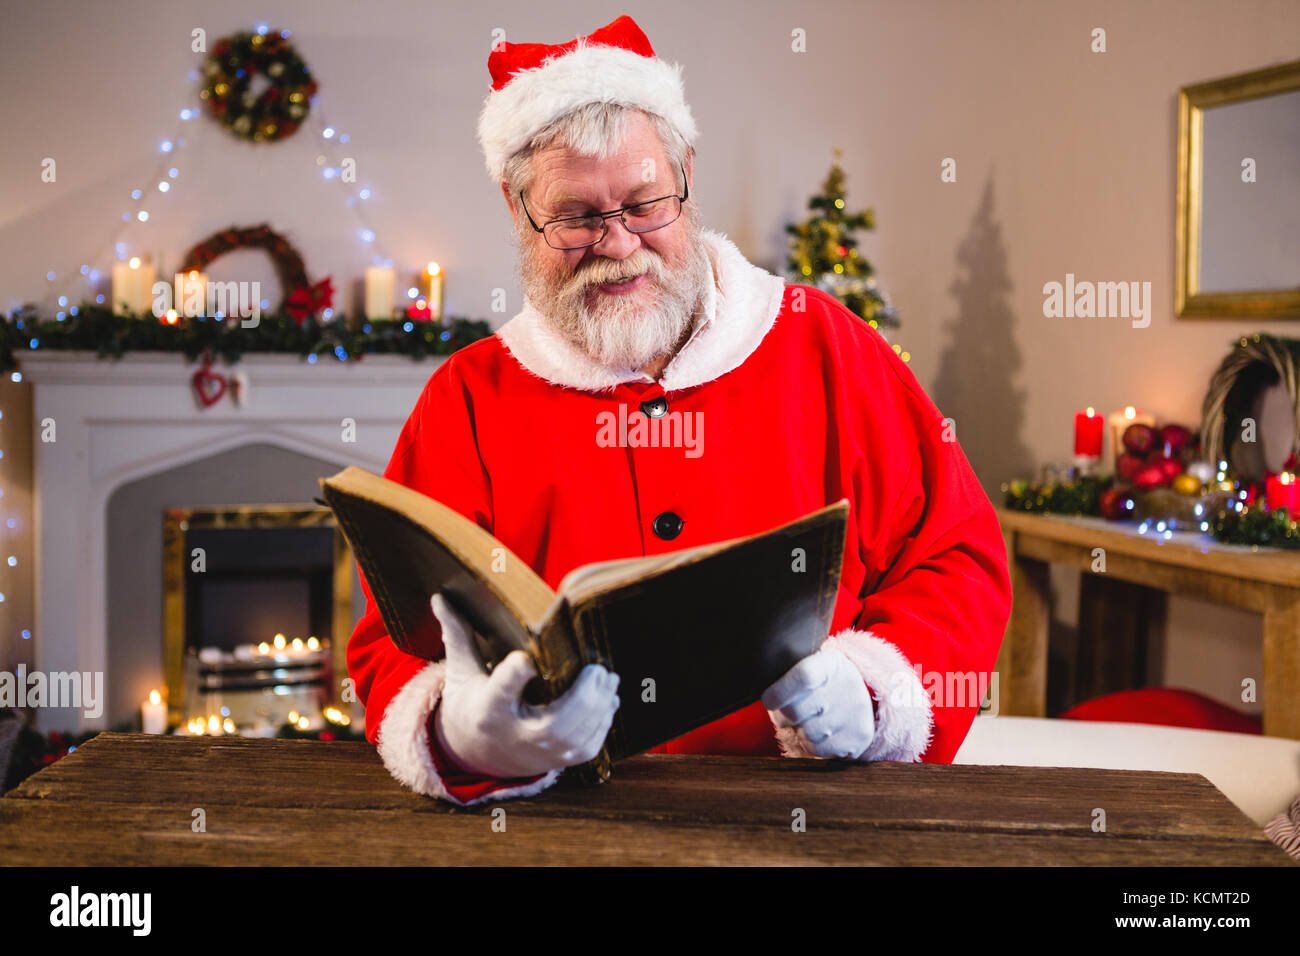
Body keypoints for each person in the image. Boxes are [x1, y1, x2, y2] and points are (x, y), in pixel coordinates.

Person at [347, 15, 1012, 806]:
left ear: (686, 172)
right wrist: (463, 734)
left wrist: (872, 690)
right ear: (516, 207)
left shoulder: (827, 346)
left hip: (814, 820)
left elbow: (957, 555)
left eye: (644, 203)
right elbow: (396, 635)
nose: (618, 244)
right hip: (565, 830)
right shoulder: (468, 396)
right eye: (576, 217)